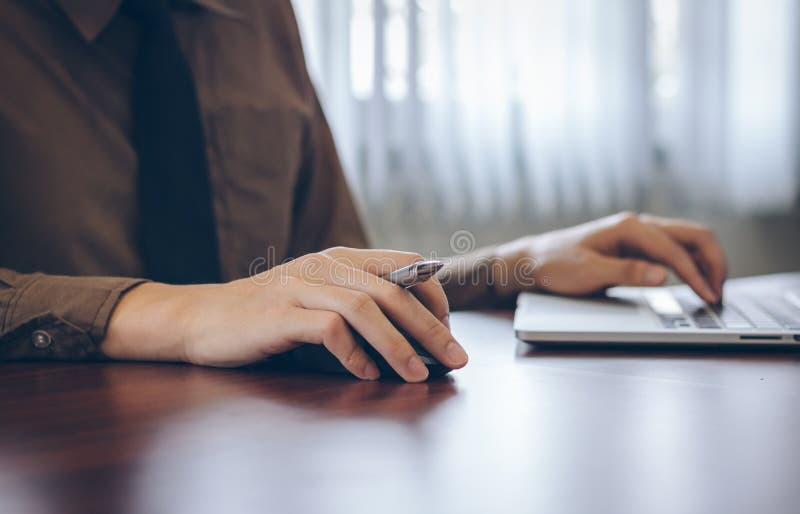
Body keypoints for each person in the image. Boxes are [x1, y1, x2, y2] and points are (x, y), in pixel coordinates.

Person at [0, 0, 727, 382]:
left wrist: (513, 266)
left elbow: (322, 283)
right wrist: (189, 314)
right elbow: (235, 309)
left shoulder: (256, 14)